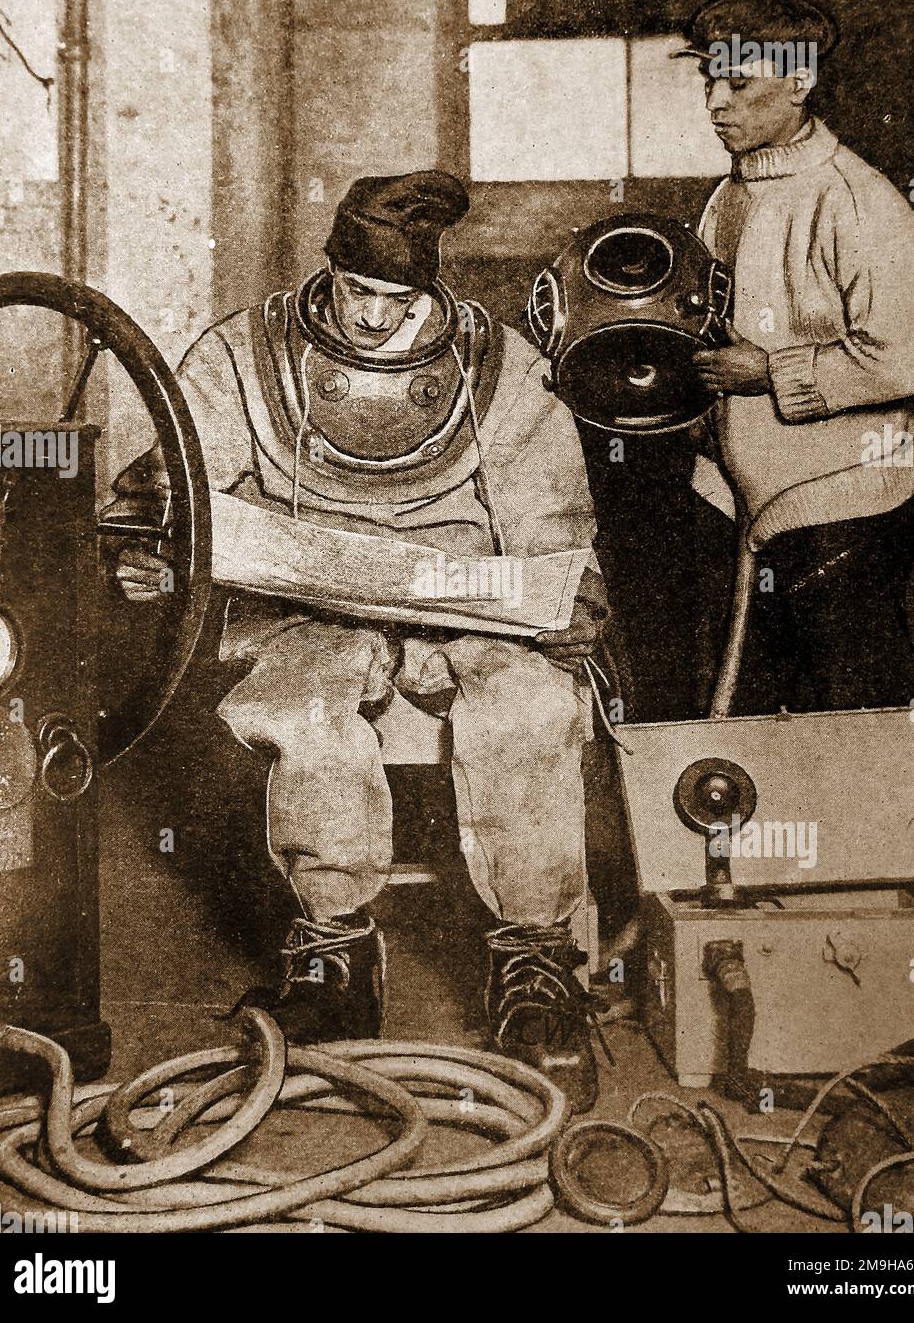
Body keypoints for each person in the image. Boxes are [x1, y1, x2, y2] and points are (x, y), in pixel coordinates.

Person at [109, 171, 610, 1110]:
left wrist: (550, 597)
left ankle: (535, 958)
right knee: (307, 712)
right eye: (360, 293)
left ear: (430, 291)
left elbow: (550, 519)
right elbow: (169, 485)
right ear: (329, 270)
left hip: (465, 601)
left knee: (530, 705)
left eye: (399, 299)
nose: (376, 319)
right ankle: (335, 950)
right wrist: (150, 549)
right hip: (307, 608)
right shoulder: (242, 355)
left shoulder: (495, 365)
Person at [677, 0, 914, 713]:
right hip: (741, 497)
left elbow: (911, 357)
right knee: (759, 715)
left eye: (737, 83)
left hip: (841, 498)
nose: (715, 102)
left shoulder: (857, 200)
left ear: (800, 84)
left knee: (862, 713)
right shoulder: (729, 193)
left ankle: (902, 831)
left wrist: (770, 372)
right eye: (708, 80)